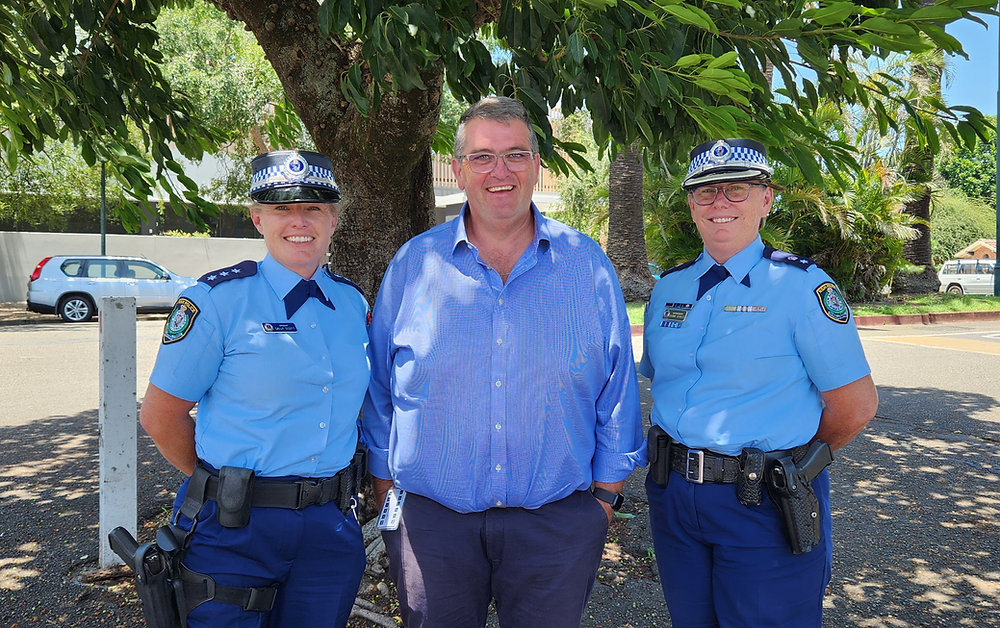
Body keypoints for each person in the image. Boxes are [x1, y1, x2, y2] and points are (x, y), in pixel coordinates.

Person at [361, 96, 644, 627]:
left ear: (537, 165)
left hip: (556, 525)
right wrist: (384, 483)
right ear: (460, 170)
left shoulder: (586, 265)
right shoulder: (414, 264)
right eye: (483, 157)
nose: (501, 170)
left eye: (516, 155)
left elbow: (617, 388)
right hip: (431, 525)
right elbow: (380, 385)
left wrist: (603, 499)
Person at [640, 138, 879, 626]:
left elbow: (855, 406)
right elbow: (659, 382)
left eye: (737, 189)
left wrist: (792, 466)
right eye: (705, 192)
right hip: (674, 496)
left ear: (766, 199)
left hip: (763, 500)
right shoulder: (669, 288)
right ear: (690, 205)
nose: (720, 202)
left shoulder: (802, 288)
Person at [139, 149, 369, 628]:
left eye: (314, 208)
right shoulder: (217, 300)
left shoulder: (352, 303)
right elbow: (160, 417)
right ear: (257, 218)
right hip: (234, 527)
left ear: (333, 219)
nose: (298, 222)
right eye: (282, 209)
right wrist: (218, 483)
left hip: (330, 527)